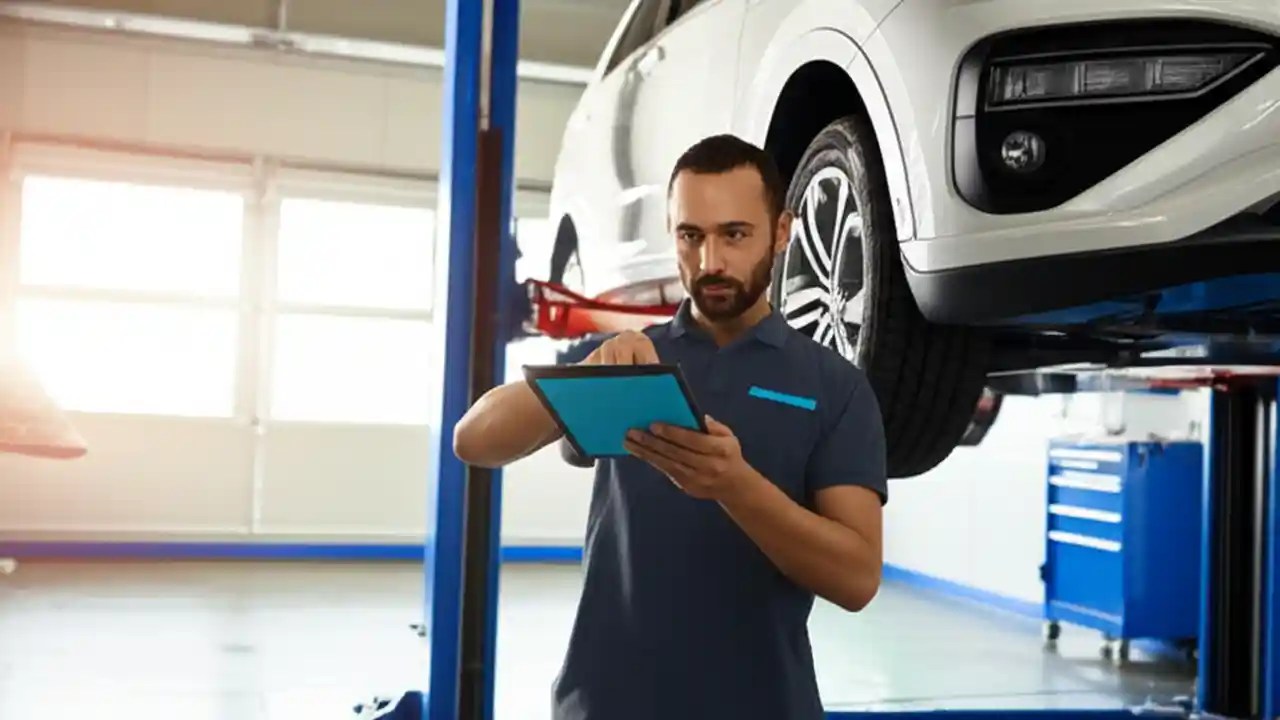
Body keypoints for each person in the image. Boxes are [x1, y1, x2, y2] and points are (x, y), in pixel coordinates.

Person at [452, 134, 887, 720]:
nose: (711, 263)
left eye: (735, 235)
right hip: (605, 705)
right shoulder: (628, 358)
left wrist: (736, 486)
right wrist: (582, 374)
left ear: (781, 232)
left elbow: (856, 579)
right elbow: (474, 440)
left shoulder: (834, 387)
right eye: (691, 236)